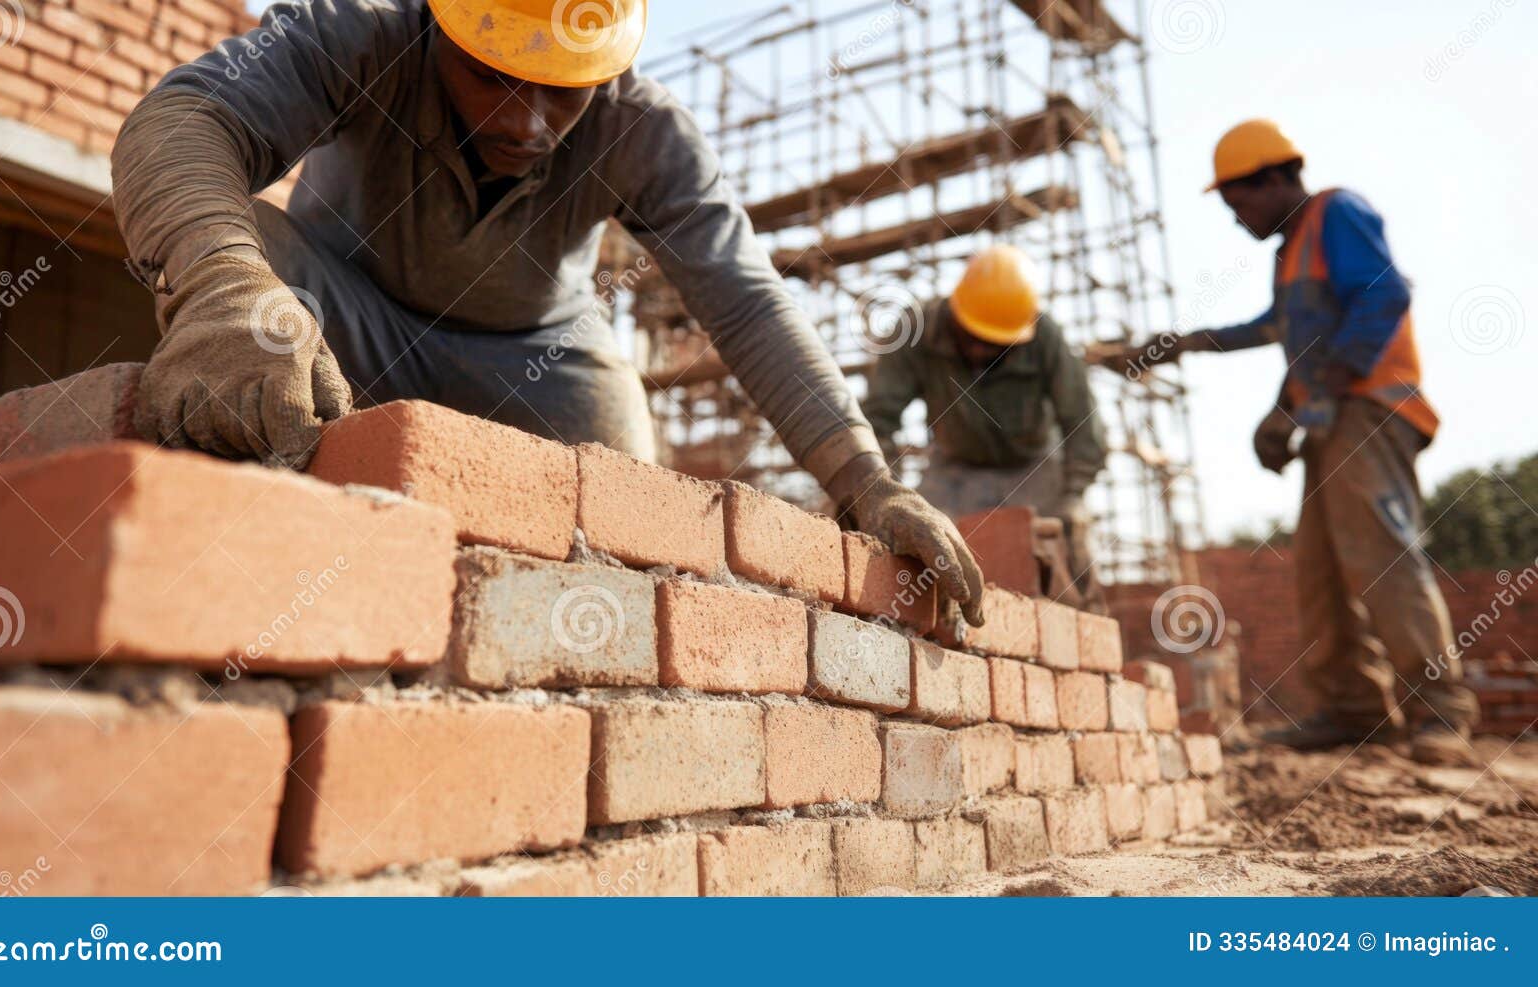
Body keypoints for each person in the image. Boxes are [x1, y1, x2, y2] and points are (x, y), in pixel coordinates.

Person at [108, 0, 986, 626]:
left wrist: (867, 480)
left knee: (623, 526)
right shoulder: (361, 30)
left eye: (562, 88)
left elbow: (748, 303)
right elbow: (182, 120)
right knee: (255, 264)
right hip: (341, 316)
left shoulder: (646, 131)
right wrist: (225, 284)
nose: (528, 122)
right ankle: (239, 576)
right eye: (494, 76)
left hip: (538, 364)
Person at [1098, 119, 1476, 764]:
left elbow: (1385, 295)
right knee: (1320, 567)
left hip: (1371, 411)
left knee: (1381, 557)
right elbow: (1282, 331)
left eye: (1239, 202)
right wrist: (1177, 348)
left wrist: (1314, 398)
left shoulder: (1337, 212)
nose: (1236, 218)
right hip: (1333, 421)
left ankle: (1441, 712)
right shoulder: (1293, 248)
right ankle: (1354, 710)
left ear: (1274, 178)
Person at [863, 245, 1108, 611]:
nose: (979, 350)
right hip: (956, 466)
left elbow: (1082, 420)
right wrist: (881, 490)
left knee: (1065, 560)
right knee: (923, 546)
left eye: (993, 344)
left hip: (1034, 466)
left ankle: (1091, 653)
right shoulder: (919, 329)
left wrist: (1073, 496)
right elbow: (878, 420)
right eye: (972, 336)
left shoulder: (1045, 338)